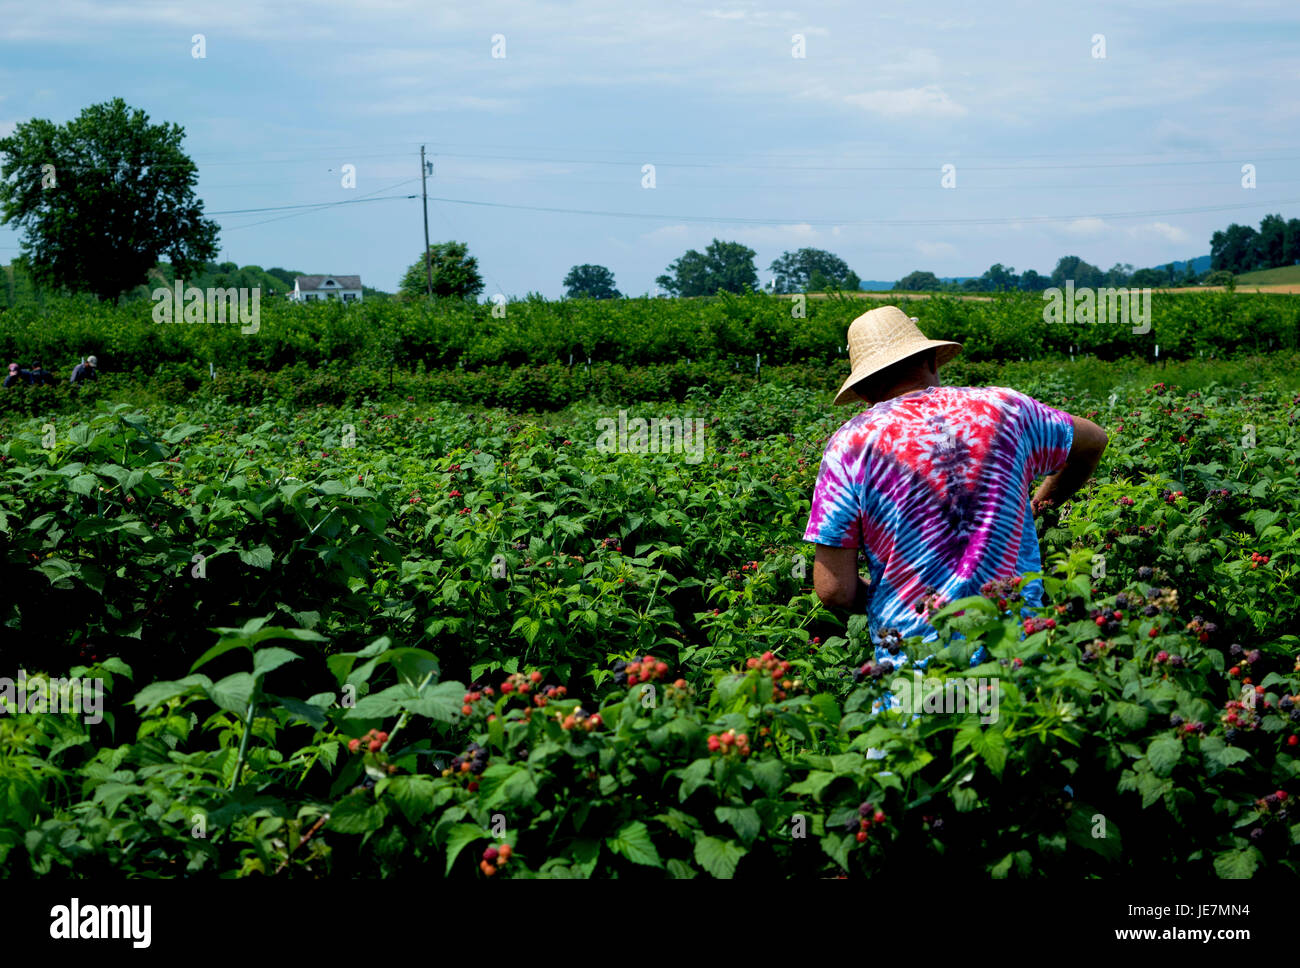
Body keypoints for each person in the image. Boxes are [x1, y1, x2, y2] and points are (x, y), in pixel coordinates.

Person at [805, 305, 1108, 670]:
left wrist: (892, 598)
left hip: (919, 666)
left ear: (865, 391)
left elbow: (834, 589)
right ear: (932, 360)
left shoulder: (850, 446)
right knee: (1025, 726)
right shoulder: (1004, 409)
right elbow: (1093, 440)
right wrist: (1038, 504)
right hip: (1016, 652)